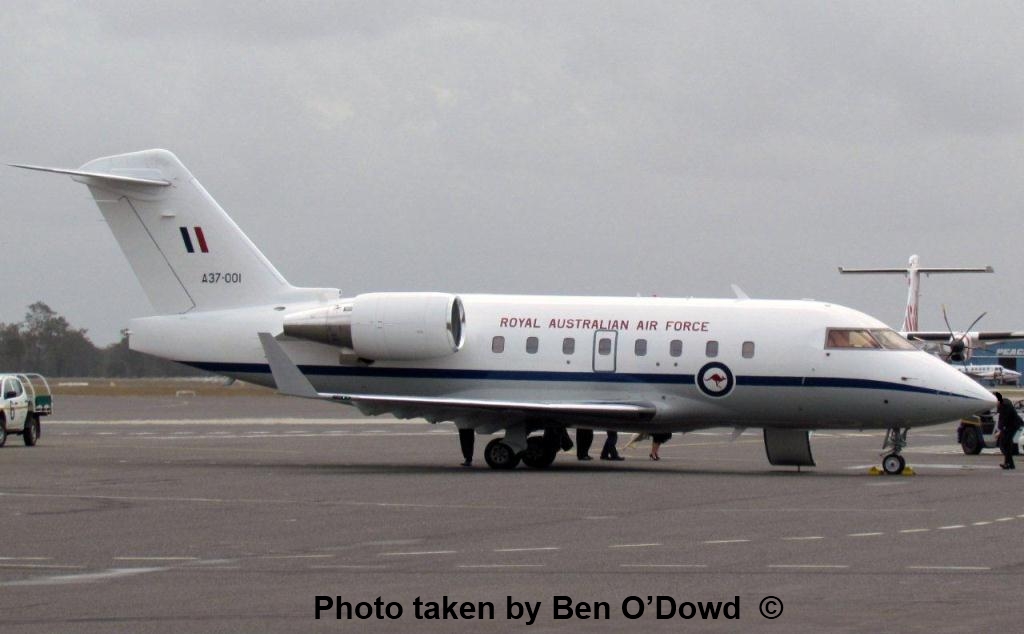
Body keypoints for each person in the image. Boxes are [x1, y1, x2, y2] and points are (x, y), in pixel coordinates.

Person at [994, 392, 1022, 470]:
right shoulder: (1004, 402)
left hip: (1013, 425)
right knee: (1006, 443)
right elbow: (1002, 419)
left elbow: (1004, 419)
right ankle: (1009, 464)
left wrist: (1000, 431)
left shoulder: (1004, 406)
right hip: (1011, 425)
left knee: (1005, 443)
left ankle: (1009, 464)